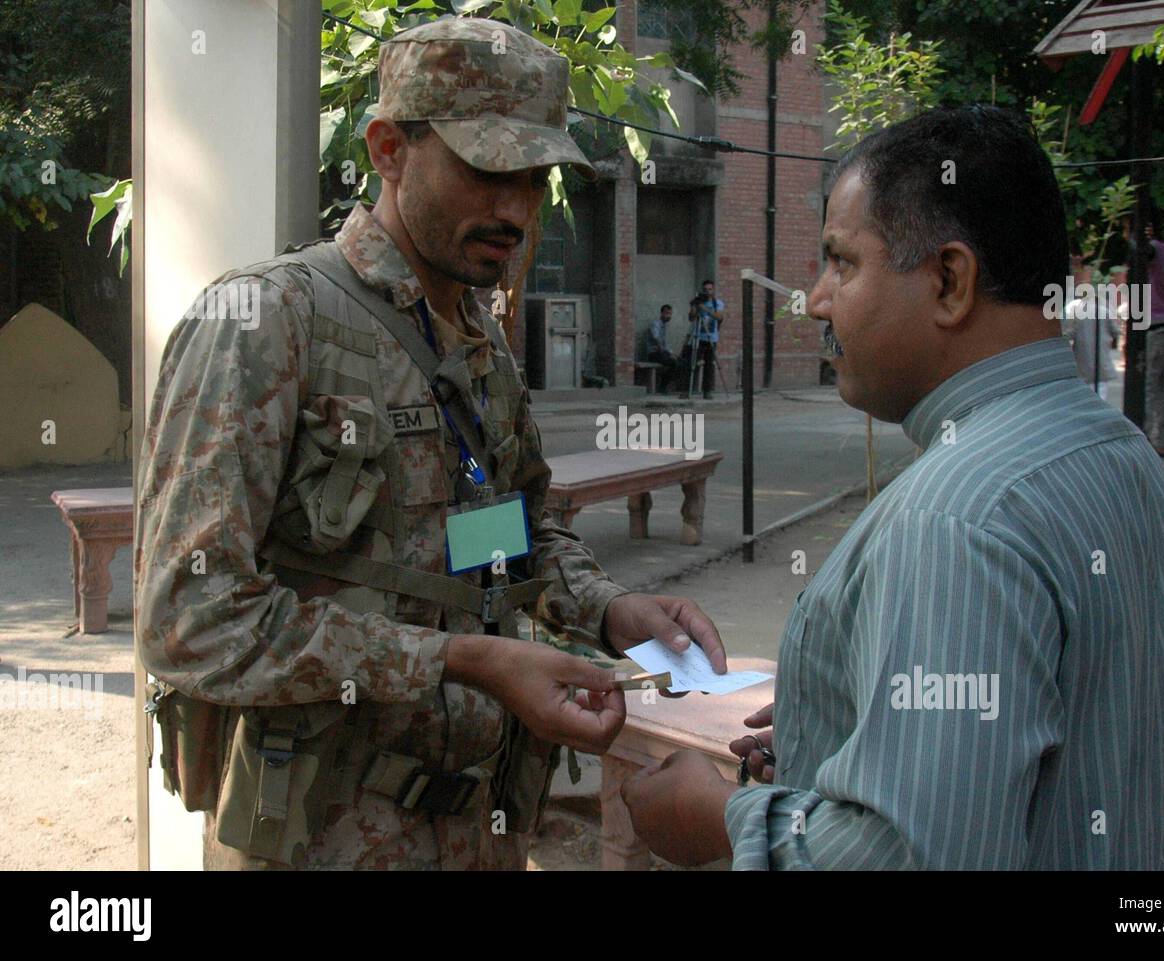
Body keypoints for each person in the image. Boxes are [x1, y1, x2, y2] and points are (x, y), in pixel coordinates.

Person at [136, 16, 725, 871]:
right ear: (387, 148)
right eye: (486, 169)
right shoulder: (268, 322)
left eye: (533, 178)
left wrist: (607, 610)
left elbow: (500, 537)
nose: (514, 209)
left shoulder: (477, 340)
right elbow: (188, 616)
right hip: (320, 842)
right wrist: (462, 660)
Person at [621, 105, 1164, 870]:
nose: (817, 300)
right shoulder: (1117, 451)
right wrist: (865, 733)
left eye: (842, 263)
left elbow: (910, 853)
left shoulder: (953, 517)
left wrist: (725, 815)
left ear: (950, 281)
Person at [1141, 221, 1164, 456]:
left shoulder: (1151, 249)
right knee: (1161, 385)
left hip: (1154, 323)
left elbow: (1145, 253)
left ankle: (1148, 439)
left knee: (1150, 385)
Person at [1062, 257, 1120, 400]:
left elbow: (1069, 334)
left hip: (1083, 361)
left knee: (1086, 396)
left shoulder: (1077, 311)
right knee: (1101, 394)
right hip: (1101, 361)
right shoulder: (1104, 310)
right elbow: (1116, 331)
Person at [685, 280, 725, 398]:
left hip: (711, 338)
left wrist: (704, 308)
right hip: (698, 337)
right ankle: (688, 390)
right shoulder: (698, 302)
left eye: (709, 289)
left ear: (713, 290)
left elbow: (718, 317)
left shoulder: (718, 303)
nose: (707, 292)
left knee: (709, 365)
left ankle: (707, 391)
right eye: (705, 290)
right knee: (691, 363)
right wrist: (694, 307)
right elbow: (691, 319)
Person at [643, 304, 677, 394]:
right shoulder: (656, 324)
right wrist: (664, 351)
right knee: (673, 363)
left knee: (676, 362)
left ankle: (664, 384)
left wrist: (670, 352)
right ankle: (662, 387)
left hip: (660, 353)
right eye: (666, 313)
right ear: (661, 313)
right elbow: (656, 338)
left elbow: (664, 344)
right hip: (653, 353)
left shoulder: (664, 326)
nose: (668, 316)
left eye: (670, 314)